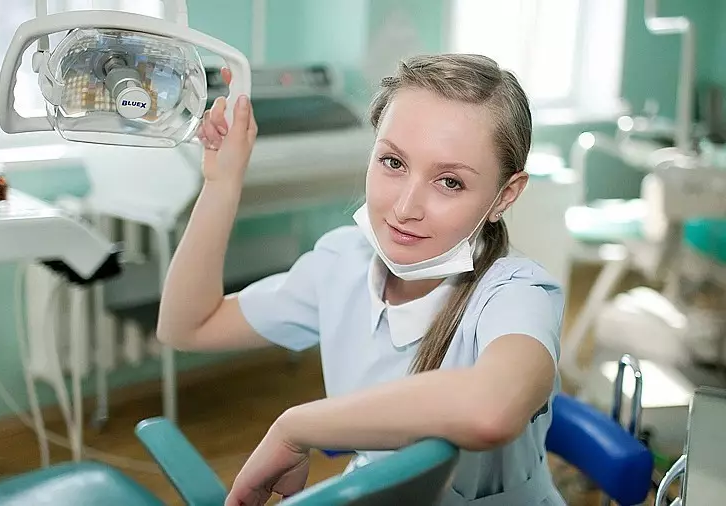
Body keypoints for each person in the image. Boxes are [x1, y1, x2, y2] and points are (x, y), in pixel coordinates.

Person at [157, 53, 566, 506]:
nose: (406, 206)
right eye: (393, 162)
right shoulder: (342, 262)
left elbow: (492, 409)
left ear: (503, 196)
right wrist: (222, 181)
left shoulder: (517, 294)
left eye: (450, 182)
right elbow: (186, 326)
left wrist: (296, 428)